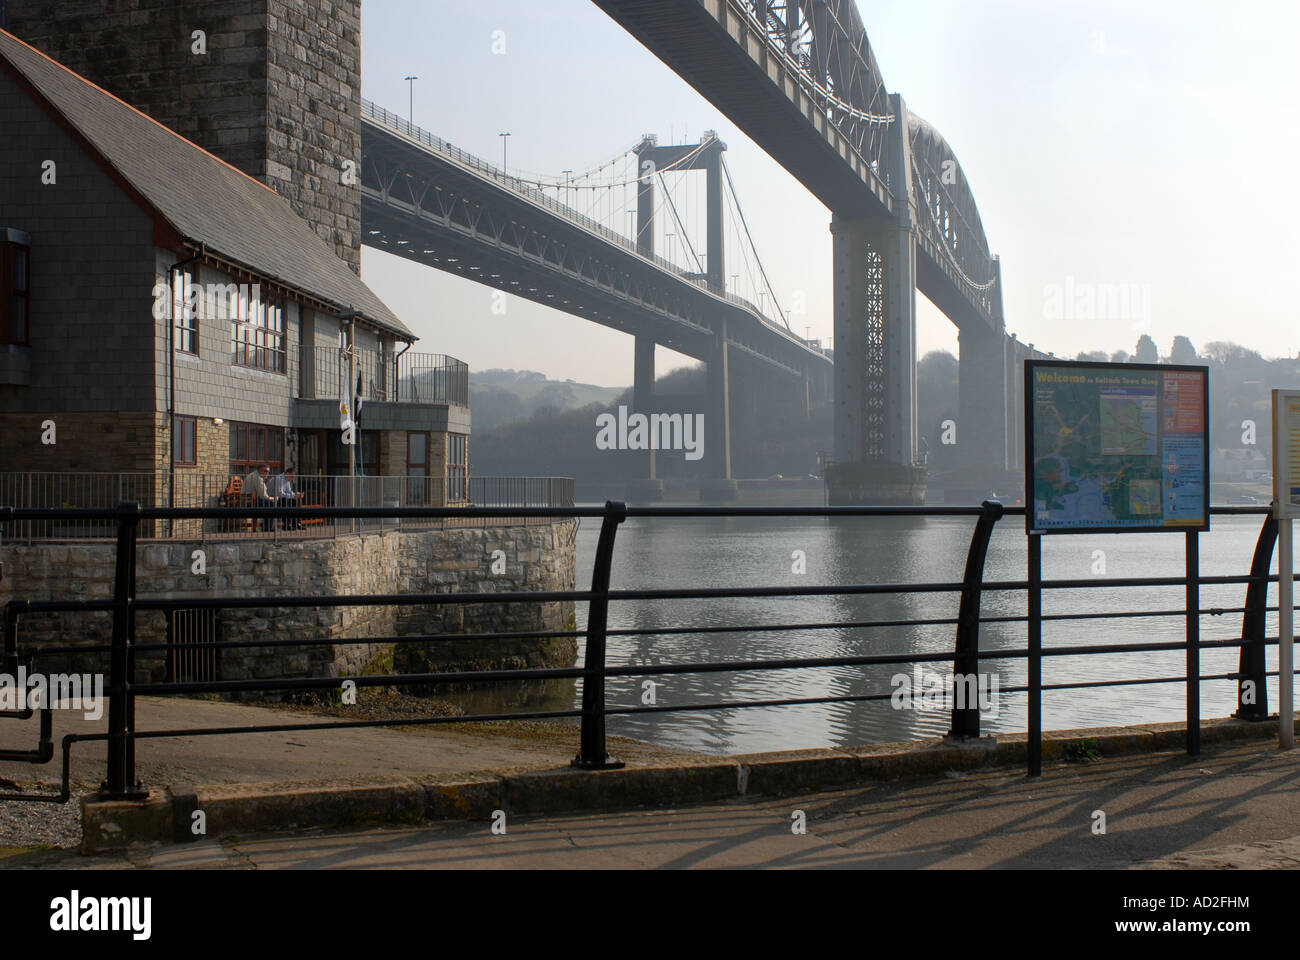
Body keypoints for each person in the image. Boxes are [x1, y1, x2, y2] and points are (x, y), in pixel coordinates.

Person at [244, 464, 275, 530]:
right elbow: (263, 495)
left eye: (268, 471)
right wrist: (273, 498)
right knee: (271, 503)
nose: (268, 473)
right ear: (260, 470)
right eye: (266, 471)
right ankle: (267, 528)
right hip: (250, 502)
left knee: (269, 503)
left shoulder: (255, 475)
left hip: (249, 500)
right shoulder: (258, 478)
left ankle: (266, 526)